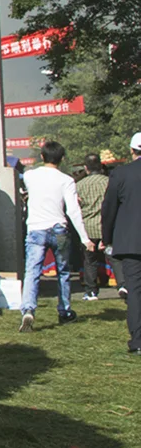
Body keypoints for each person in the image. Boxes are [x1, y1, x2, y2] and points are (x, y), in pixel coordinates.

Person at [19, 140, 90, 331]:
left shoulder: (30, 176)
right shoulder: (66, 180)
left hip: (36, 229)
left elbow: (26, 183)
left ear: (42, 156)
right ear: (62, 158)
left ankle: (28, 309)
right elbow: (73, 210)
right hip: (59, 228)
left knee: (32, 271)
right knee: (63, 272)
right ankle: (64, 310)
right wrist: (85, 238)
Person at [101, 133, 141, 355]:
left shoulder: (121, 173)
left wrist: (107, 237)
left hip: (131, 241)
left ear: (132, 151)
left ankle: (138, 341)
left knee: (135, 290)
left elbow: (109, 209)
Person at [76, 154, 113, 301]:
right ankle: (123, 285)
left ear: (86, 168)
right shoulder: (109, 182)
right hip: (108, 226)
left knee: (89, 260)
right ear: (101, 166)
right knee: (114, 258)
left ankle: (91, 290)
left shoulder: (79, 185)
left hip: (88, 227)